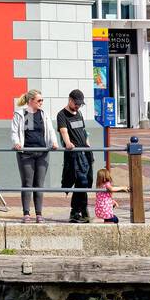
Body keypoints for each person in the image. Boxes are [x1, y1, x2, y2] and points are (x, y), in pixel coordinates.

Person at [11, 88, 58, 223]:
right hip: (26, 153)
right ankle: (26, 213)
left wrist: (53, 142)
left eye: (42, 100)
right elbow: (14, 132)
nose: (41, 103)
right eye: (39, 100)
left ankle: (39, 213)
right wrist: (17, 143)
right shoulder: (20, 114)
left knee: (39, 183)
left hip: (42, 152)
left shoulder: (44, 114)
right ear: (30, 101)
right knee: (27, 183)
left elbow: (50, 130)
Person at [57, 89, 92, 223]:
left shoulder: (79, 113)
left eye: (80, 104)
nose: (78, 106)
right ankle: (80, 210)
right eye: (76, 103)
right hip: (74, 154)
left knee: (83, 182)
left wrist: (88, 144)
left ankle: (78, 211)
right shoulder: (62, 115)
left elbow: (83, 131)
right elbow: (64, 132)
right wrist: (68, 143)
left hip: (85, 153)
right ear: (70, 100)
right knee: (81, 180)